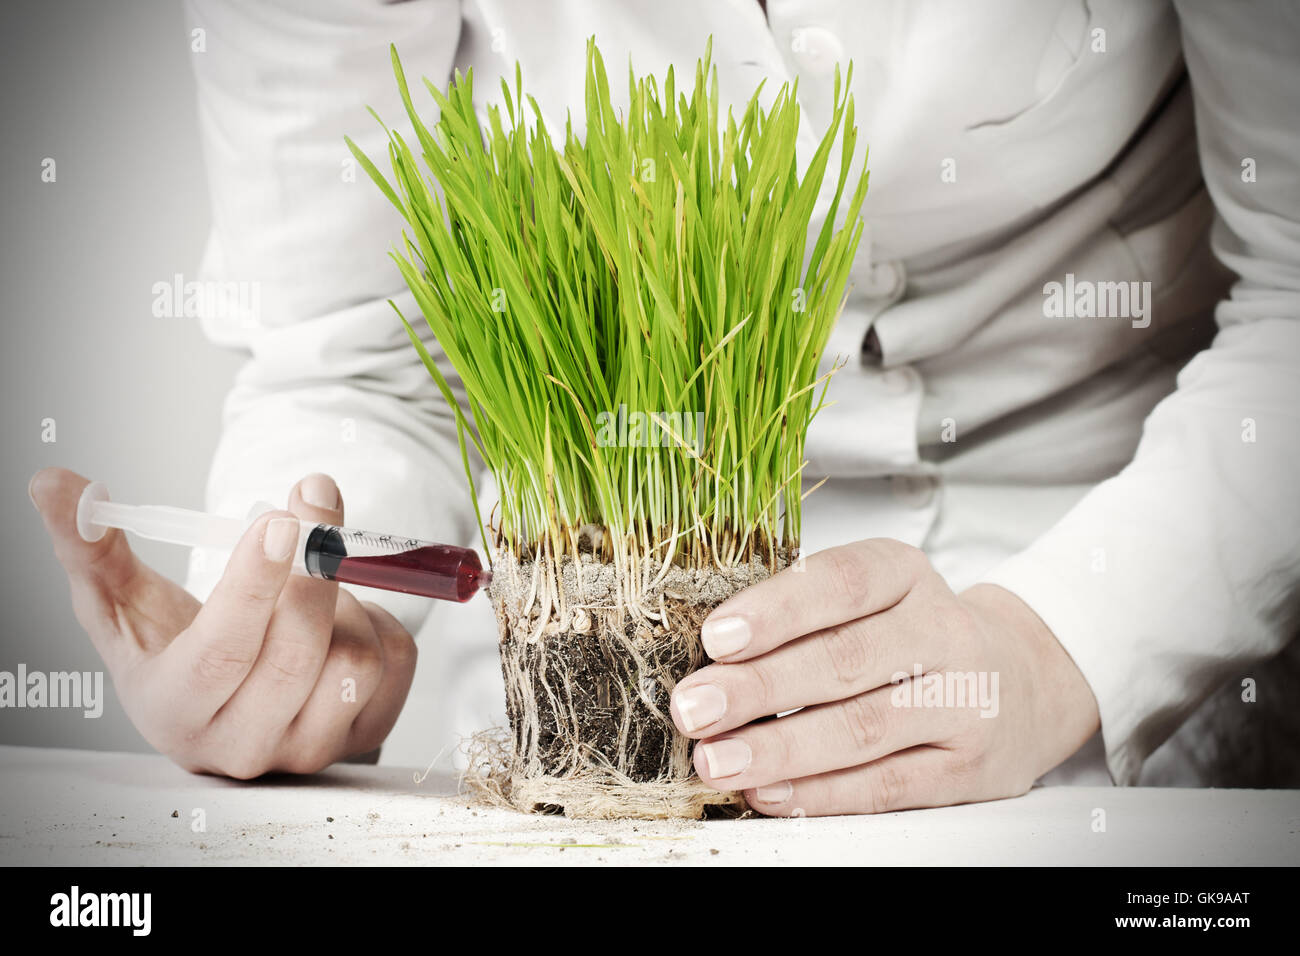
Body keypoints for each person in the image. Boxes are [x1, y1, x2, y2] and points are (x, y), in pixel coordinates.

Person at [29, 0, 1300, 815]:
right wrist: (315, 626)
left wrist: (1051, 645)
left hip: (1117, 584)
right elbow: (347, 346)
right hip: (562, 685)